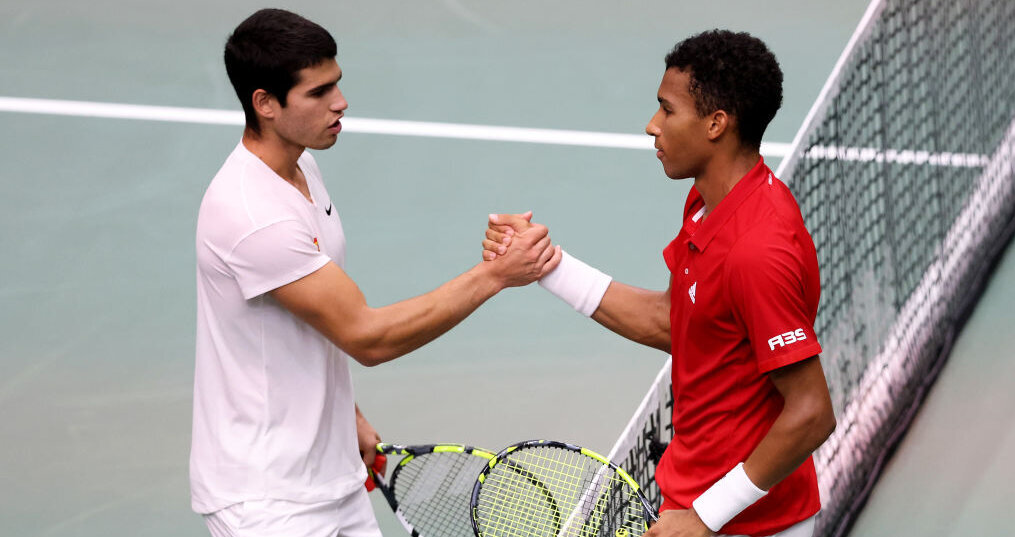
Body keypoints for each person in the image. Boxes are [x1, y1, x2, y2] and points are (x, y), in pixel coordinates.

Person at [191, 8, 561, 537]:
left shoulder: (302, 168)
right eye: (318, 93)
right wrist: (496, 275)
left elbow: (309, 319)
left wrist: (346, 414)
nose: (340, 103)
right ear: (265, 104)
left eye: (337, 84)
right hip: (269, 500)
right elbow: (368, 336)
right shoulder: (253, 216)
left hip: (331, 475)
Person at [485, 30, 835, 537]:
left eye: (667, 111)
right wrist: (546, 264)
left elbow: (811, 412)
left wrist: (705, 517)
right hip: (691, 502)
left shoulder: (758, 251)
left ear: (716, 123)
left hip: (751, 525)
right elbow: (672, 322)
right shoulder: (707, 203)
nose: (652, 126)